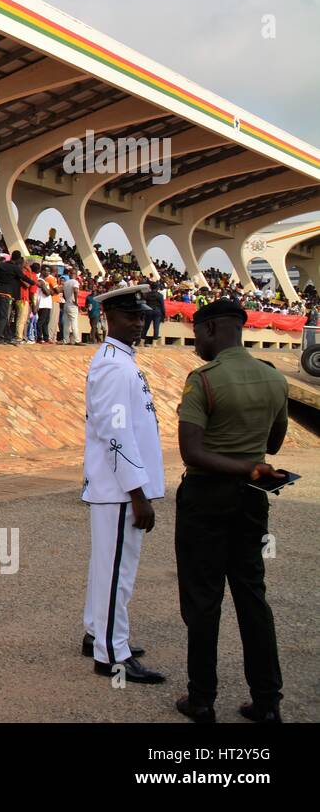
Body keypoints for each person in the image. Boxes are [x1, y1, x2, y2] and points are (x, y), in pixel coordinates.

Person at [173, 299, 289, 723]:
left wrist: (238, 463)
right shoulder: (272, 378)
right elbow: (273, 445)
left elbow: (192, 451)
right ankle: (267, 702)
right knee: (251, 596)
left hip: (206, 500)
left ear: (212, 329)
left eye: (197, 333)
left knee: (203, 601)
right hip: (252, 499)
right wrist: (250, 462)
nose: (195, 342)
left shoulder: (203, 380)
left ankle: (202, 700)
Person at [81, 285, 166, 685]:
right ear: (107, 319)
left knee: (107, 567)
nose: (138, 322)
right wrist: (138, 493)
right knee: (118, 572)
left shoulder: (121, 360)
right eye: (130, 316)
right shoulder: (114, 366)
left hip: (117, 487)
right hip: (120, 489)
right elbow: (116, 433)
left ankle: (97, 634)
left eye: (141, 315)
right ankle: (112, 653)